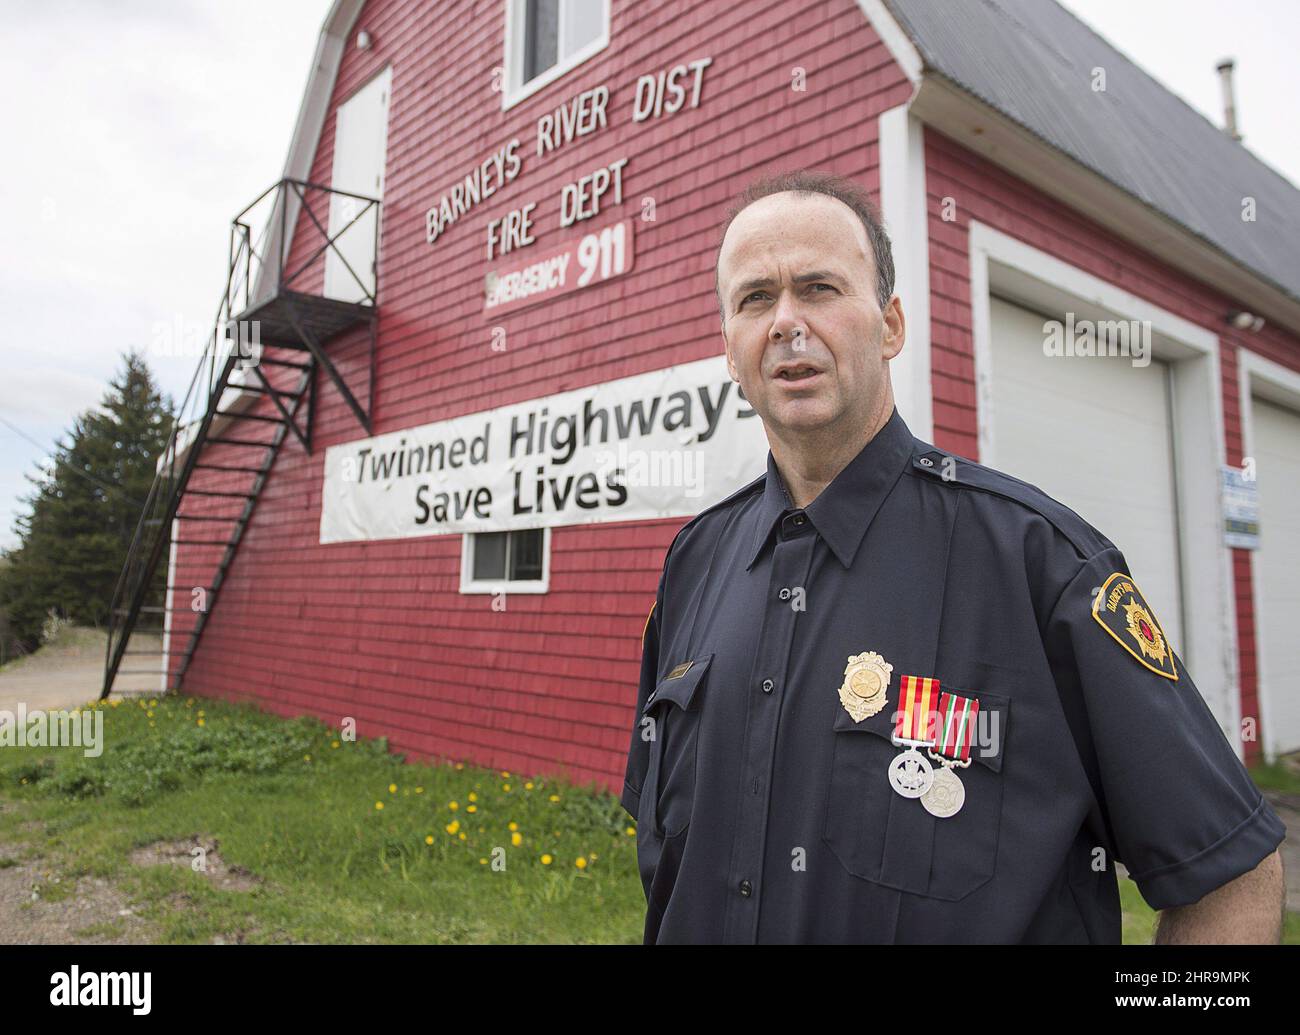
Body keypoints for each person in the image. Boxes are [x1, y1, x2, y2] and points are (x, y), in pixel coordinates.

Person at [619, 170, 1286, 944]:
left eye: (821, 287)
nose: (788, 324)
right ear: (730, 352)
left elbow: (1232, 874)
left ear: (891, 325)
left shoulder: (1043, 564)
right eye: (756, 299)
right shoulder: (695, 561)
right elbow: (668, 861)